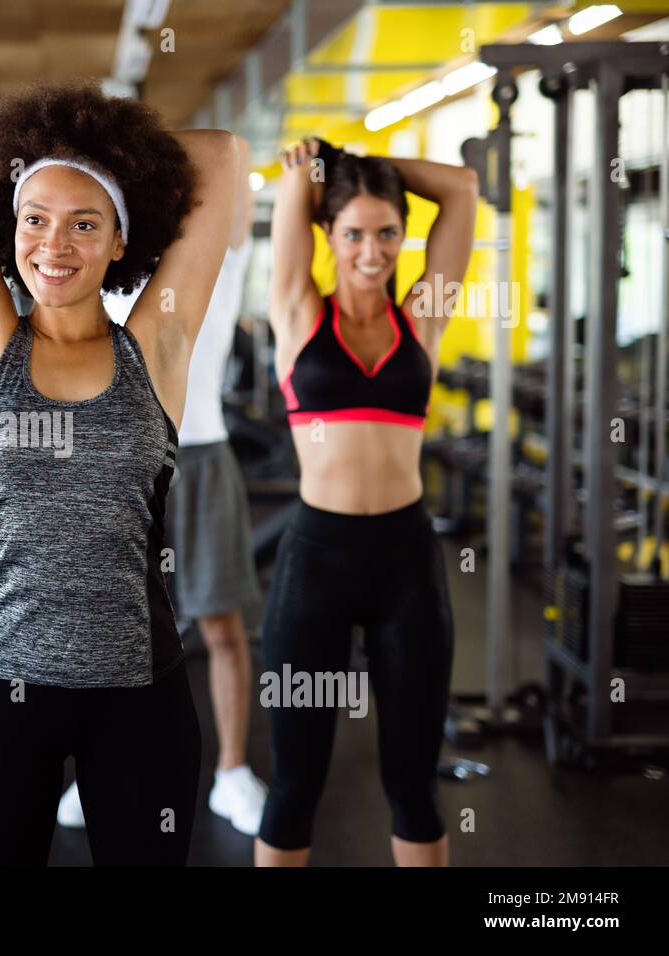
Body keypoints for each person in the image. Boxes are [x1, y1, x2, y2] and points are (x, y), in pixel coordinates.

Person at [0, 82, 240, 865]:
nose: (54, 244)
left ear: (118, 242)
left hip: (138, 696)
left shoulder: (158, 345)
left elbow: (225, 157)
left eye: (84, 223)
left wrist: (102, 149)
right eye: (34, 219)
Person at [257, 137, 477, 866]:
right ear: (328, 235)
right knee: (294, 787)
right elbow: (299, 183)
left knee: (412, 785)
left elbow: (463, 187)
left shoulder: (425, 315)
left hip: (406, 564)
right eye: (353, 232)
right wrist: (320, 170)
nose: (372, 250)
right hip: (315, 562)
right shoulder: (297, 310)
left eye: (388, 232)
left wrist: (363, 165)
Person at [57, 140, 269, 837]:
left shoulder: (218, 261)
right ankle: (94, 778)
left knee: (223, 627)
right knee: (101, 632)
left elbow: (228, 168)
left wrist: (122, 130)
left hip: (201, 455)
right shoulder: (106, 272)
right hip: (117, 462)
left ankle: (232, 772)